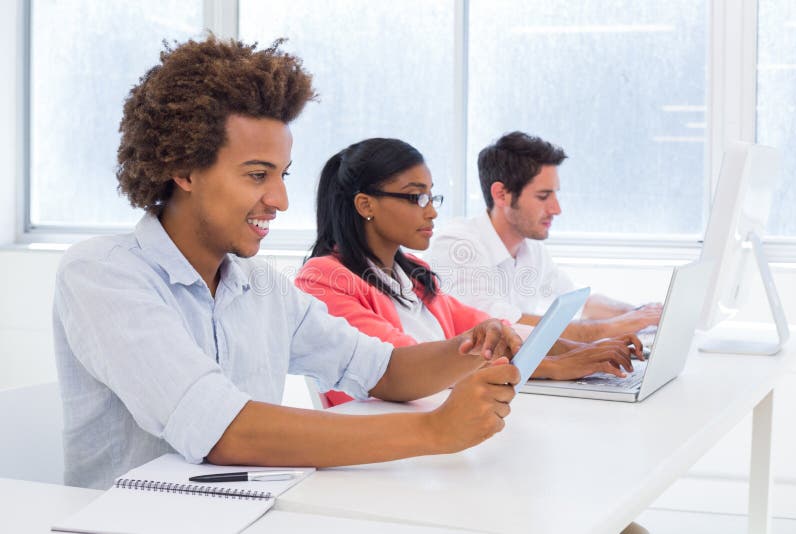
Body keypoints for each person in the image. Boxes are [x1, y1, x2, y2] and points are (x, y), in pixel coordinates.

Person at [52, 37, 522, 490]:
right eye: (258, 175)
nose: (278, 199)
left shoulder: (262, 287)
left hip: (249, 513)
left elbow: (383, 370)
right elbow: (224, 431)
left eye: (282, 175)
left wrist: (471, 349)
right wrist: (435, 432)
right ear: (184, 169)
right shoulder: (103, 274)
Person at [294, 138, 642, 406]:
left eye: (433, 198)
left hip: (438, 420)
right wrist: (557, 367)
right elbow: (402, 367)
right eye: (417, 198)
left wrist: (579, 351)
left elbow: (495, 332)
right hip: (384, 443)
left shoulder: (414, 274)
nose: (431, 213)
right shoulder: (324, 279)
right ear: (365, 204)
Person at [427, 131, 663, 343]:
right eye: (543, 196)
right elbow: (502, 328)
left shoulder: (530, 249)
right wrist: (613, 328)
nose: (556, 209)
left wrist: (643, 314)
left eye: (555, 195)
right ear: (501, 194)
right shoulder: (458, 246)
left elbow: (577, 304)